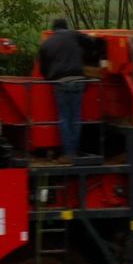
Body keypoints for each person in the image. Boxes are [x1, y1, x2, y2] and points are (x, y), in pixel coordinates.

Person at [38, 18, 92, 162]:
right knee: (76, 117)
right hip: (78, 80)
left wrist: (50, 78)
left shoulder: (47, 43)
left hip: (60, 82)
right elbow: (90, 41)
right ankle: (75, 151)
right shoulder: (73, 35)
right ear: (66, 27)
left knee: (64, 118)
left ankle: (68, 153)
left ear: (53, 29)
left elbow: (43, 68)